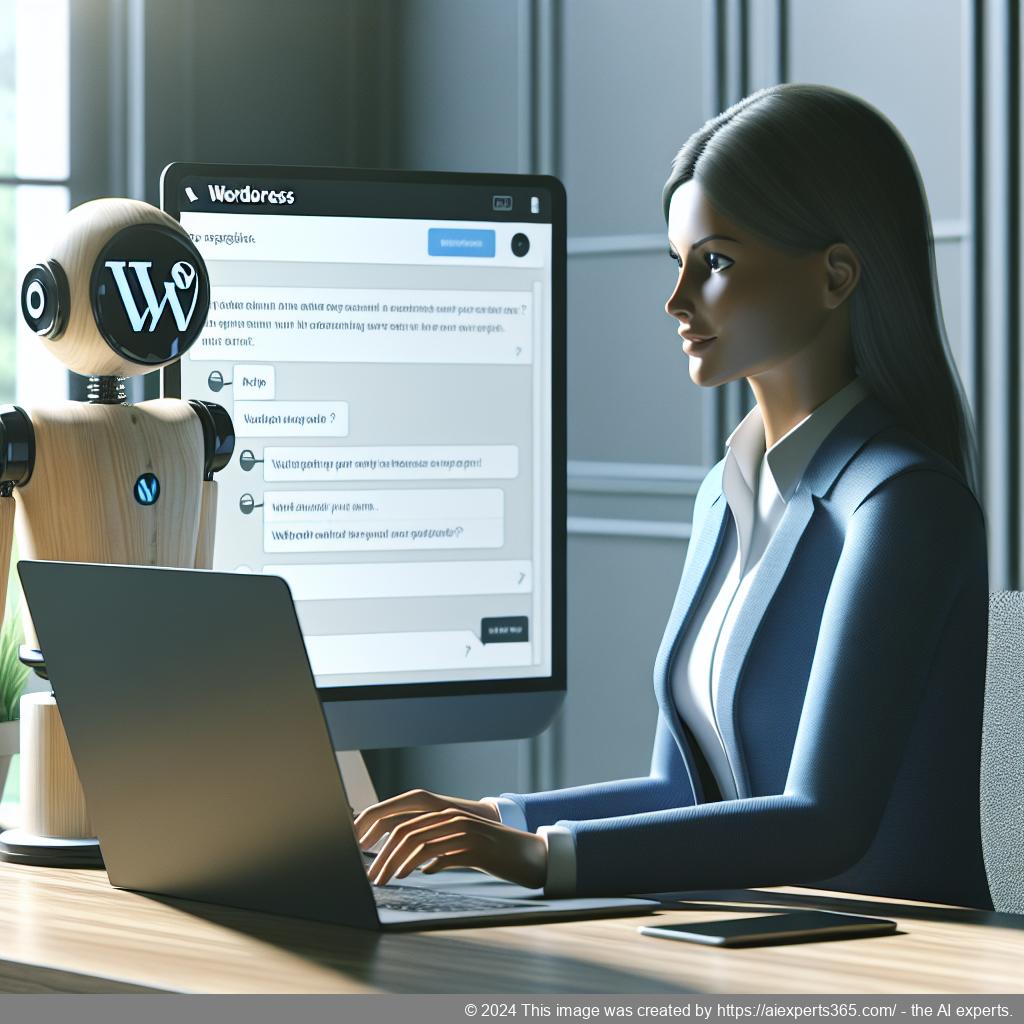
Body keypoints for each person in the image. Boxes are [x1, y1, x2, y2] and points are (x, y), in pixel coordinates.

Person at [354, 84, 992, 910]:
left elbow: (827, 821)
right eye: (677, 262)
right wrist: (492, 818)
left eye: (715, 263)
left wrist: (537, 855)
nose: (677, 300)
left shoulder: (901, 503)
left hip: (900, 955)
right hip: (757, 936)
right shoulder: (722, 495)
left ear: (836, 275)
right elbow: (684, 793)